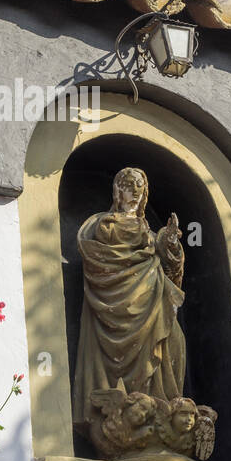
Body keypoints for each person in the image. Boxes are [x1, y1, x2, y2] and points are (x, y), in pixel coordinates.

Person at [72, 166, 187, 433]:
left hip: (154, 303)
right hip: (114, 305)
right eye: (128, 185)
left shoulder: (151, 233)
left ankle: (162, 407)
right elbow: (99, 260)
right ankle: (125, 413)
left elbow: (173, 273)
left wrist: (171, 244)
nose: (134, 191)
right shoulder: (104, 225)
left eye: (139, 186)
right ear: (117, 191)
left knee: (176, 341)